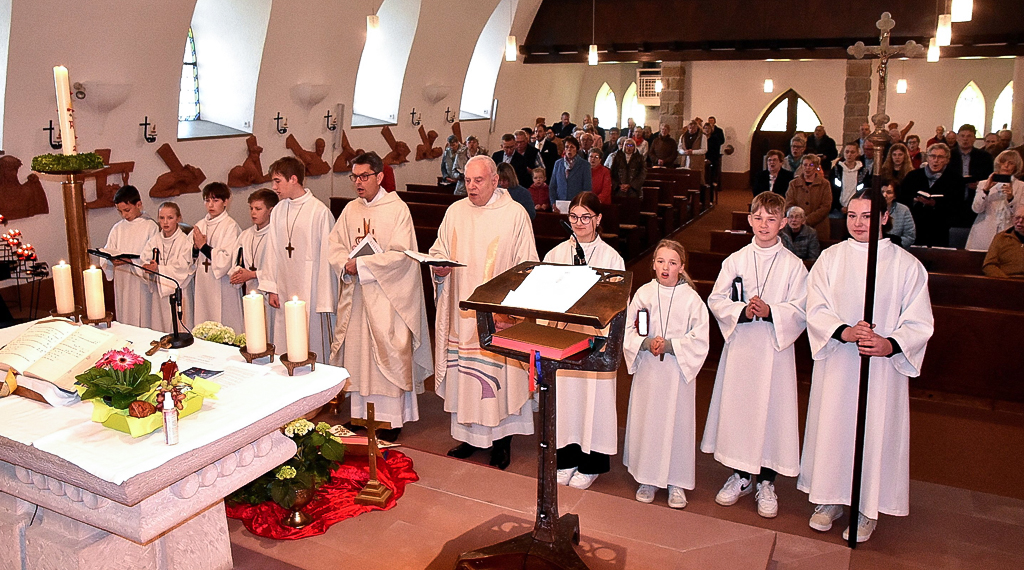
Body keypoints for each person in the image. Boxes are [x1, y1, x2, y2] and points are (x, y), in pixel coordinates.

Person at [799, 189, 934, 543]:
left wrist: (890, 343)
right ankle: (830, 499)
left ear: (885, 218)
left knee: (872, 430)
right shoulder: (831, 258)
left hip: (881, 369)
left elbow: (919, 321)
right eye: (853, 215)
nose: (859, 223)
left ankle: (865, 508)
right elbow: (815, 306)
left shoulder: (907, 266)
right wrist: (843, 331)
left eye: (868, 216)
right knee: (835, 428)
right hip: (840, 363)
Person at [430, 155, 539, 470]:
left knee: (496, 379)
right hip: (463, 314)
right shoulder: (455, 212)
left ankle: (502, 441)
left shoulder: (515, 215)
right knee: (468, 382)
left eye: (478, 181)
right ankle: (469, 438)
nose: (472, 187)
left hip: (496, 315)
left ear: (495, 180)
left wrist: (512, 312)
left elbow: (527, 265)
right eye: (467, 180)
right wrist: (439, 268)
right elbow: (439, 249)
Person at [703, 192, 808, 519]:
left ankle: (766, 481)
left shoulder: (793, 265)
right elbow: (716, 299)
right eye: (758, 217)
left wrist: (772, 311)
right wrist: (743, 311)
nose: (764, 224)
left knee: (771, 412)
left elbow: (802, 309)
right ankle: (740, 475)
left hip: (774, 354)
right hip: (743, 349)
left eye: (771, 219)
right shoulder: (735, 260)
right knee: (741, 411)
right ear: (749, 219)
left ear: (783, 223)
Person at [328, 152, 433, 441]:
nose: (358, 183)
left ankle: (391, 420)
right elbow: (334, 245)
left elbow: (402, 255)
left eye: (364, 177)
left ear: (379, 177)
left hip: (388, 298)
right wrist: (345, 265)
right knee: (360, 355)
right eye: (354, 177)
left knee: (387, 354)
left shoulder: (397, 210)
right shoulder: (350, 210)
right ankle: (361, 417)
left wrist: (361, 265)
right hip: (359, 297)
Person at [542, 192, 625, 490]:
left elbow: (617, 301)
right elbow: (542, 297)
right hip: (563, 338)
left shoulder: (611, 257)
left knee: (593, 400)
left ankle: (591, 464)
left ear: (598, 219)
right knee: (565, 399)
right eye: (574, 217)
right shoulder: (555, 255)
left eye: (585, 217)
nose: (579, 223)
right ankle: (565, 459)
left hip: (595, 340)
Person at [623, 240, 710, 508]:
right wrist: (647, 343)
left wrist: (671, 345)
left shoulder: (692, 300)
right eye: (660, 261)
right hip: (649, 371)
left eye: (672, 263)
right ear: (653, 264)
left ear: (681, 267)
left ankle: (676, 481)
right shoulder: (644, 294)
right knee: (648, 420)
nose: (665, 267)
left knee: (677, 423)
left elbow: (700, 338)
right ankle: (646, 478)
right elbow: (630, 329)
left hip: (676, 374)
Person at [259, 156, 337, 362]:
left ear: (293, 179)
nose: (274, 187)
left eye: (278, 181)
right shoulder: (278, 211)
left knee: (310, 340)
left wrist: (323, 298)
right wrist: (271, 286)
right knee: (285, 339)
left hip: (310, 289)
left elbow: (327, 257)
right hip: (284, 285)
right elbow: (272, 250)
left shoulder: (319, 212)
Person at [100, 185, 158, 327]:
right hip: (123, 280)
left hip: (140, 282)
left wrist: (131, 260)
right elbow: (108, 250)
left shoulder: (150, 226)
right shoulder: (118, 228)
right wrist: (110, 259)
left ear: (138, 204)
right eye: (120, 212)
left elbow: (153, 255)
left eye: (127, 210)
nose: (125, 215)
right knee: (124, 315)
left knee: (143, 319)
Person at [191, 182, 242, 331]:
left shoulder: (230, 226)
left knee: (225, 326)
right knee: (204, 321)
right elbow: (188, 258)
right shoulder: (200, 225)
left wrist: (203, 247)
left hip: (223, 285)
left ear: (226, 201)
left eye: (215, 200)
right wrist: (195, 248)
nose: (210, 205)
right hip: (203, 284)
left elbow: (225, 260)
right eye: (207, 200)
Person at [228, 189, 279, 339]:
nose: (253, 213)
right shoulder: (246, 235)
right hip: (251, 292)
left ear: (271, 210)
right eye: (251, 208)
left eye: (258, 209)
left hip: (270, 295)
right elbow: (237, 261)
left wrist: (253, 274)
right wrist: (237, 274)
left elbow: (280, 268)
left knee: (270, 335)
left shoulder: (275, 234)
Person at [141, 202, 193, 333]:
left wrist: (159, 269)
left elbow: (183, 267)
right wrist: (149, 268)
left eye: (170, 218)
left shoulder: (184, 241)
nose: (165, 222)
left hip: (180, 292)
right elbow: (145, 258)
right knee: (160, 328)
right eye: (161, 218)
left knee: (179, 328)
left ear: (178, 218)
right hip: (159, 294)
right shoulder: (155, 240)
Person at [898, 143, 963, 247]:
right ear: (927, 158)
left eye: (940, 157)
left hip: (939, 228)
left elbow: (957, 206)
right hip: (915, 225)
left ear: (947, 160)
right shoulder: (913, 176)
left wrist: (935, 204)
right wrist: (914, 201)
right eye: (933, 156)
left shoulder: (955, 179)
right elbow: (902, 199)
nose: (935, 160)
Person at [966, 150, 1024, 251]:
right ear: (998, 164)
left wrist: (1011, 198)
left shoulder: (1021, 186)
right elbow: (976, 209)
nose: (1006, 165)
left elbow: (1020, 215)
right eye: (1003, 162)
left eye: (1011, 163)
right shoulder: (983, 183)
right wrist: (985, 190)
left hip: (1008, 232)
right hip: (984, 233)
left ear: (1016, 166)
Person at [948, 124, 995, 234]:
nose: (965, 139)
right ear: (957, 137)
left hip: (976, 199)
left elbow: (989, 178)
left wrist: (979, 184)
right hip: (953, 200)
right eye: (962, 136)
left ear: (974, 138)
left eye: (969, 136)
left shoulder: (985, 157)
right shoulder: (949, 155)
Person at [784, 154, 832, 239]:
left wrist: (807, 220)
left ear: (816, 167)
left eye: (811, 165)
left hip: (819, 227)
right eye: (805, 165)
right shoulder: (793, 184)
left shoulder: (824, 184)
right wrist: (798, 219)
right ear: (801, 166)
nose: (808, 168)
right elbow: (789, 204)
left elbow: (826, 206)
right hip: (797, 227)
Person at [549, 136, 592, 210]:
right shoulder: (558, 163)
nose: (569, 149)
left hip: (577, 204)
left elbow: (587, 188)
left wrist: (583, 204)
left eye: (572, 147)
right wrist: (553, 203)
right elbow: (552, 186)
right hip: (560, 204)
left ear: (577, 149)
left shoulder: (584, 165)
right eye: (567, 147)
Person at [982, 202, 1024, 278]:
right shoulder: (1001, 238)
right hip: (1005, 281)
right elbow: (989, 265)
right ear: (1012, 218)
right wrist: (1006, 281)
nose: (1020, 221)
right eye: (1017, 218)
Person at [831, 142, 867, 213]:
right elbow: (832, 190)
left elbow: (864, 190)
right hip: (838, 208)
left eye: (852, 152)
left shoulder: (863, 171)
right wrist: (839, 207)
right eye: (847, 152)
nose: (849, 154)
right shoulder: (836, 170)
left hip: (857, 208)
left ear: (857, 153)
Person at [883, 184, 916, 248]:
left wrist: (893, 247)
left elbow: (910, 236)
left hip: (897, 250)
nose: (884, 195)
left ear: (895, 196)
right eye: (881, 192)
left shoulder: (903, 210)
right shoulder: (868, 208)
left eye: (889, 192)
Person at [705, 117, 726, 189]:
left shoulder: (717, 133)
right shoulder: (703, 137)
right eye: (705, 129)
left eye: (712, 120)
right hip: (704, 158)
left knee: (712, 175)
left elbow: (721, 141)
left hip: (713, 157)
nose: (707, 130)